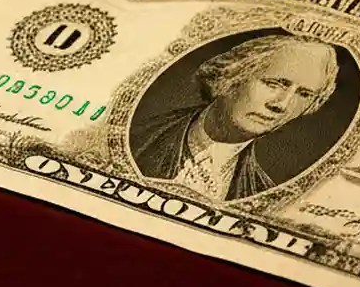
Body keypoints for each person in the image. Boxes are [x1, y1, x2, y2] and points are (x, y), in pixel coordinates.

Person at [130, 34, 339, 201]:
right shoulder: (135, 137)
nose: (281, 105)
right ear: (231, 76)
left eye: (304, 95)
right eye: (274, 84)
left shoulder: (260, 194)